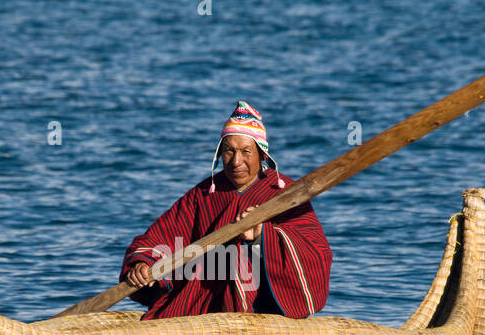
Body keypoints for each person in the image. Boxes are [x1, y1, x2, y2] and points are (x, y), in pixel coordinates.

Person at [121, 101, 332, 320]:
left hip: (262, 306)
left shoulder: (286, 193)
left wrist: (261, 236)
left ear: (262, 156)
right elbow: (162, 234)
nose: (236, 161)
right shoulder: (205, 193)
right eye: (229, 151)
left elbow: (315, 252)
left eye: (246, 151)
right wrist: (143, 263)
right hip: (198, 303)